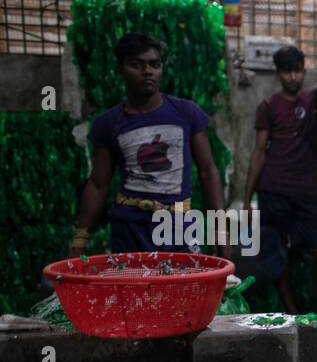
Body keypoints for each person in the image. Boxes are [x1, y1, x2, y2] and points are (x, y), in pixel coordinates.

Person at [241, 27, 317, 313]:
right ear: (278, 74)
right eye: (286, 71)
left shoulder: (313, 102)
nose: (293, 76)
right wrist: (247, 200)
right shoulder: (268, 107)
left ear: (304, 72)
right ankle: (292, 313)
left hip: (307, 192)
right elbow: (258, 153)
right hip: (272, 192)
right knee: (275, 257)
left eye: (297, 70)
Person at [69, 33, 225, 257]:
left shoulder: (186, 113)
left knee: (183, 289)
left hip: (178, 226)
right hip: (130, 227)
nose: (148, 71)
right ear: (120, 70)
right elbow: (97, 184)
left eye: (155, 64)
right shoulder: (108, 123)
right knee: (132, 290)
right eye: (136, 65)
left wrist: (219, 227)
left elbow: (208, 170)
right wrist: (81, 235)